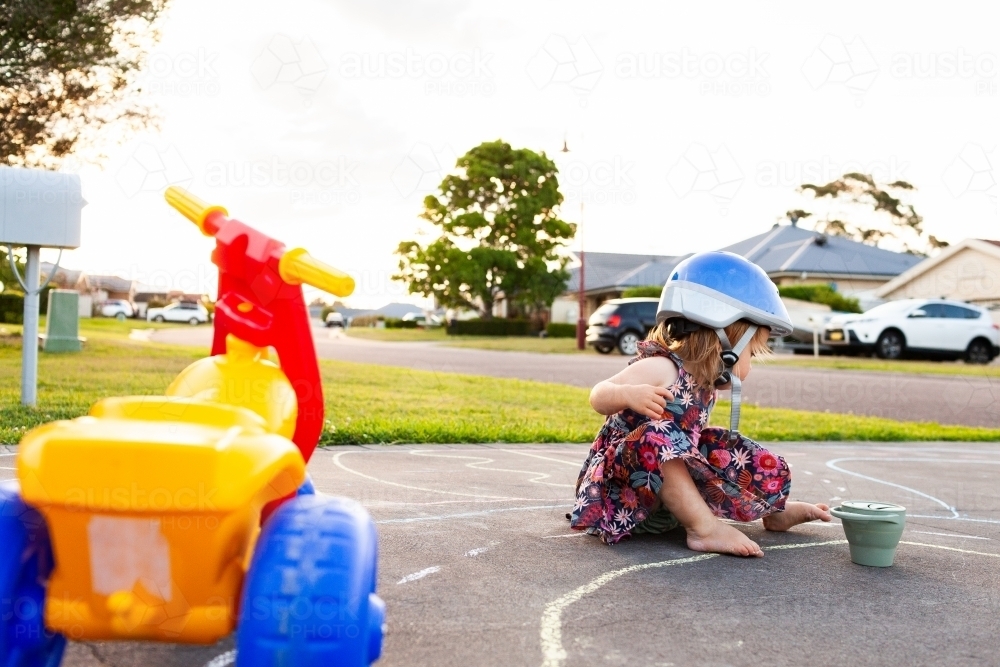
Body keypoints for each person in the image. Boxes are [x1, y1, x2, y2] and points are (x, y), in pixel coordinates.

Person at [570, 251, 832, 557]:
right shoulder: (662, 368)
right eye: (753, 353)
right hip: (623, 495)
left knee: (724, 445)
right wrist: (628, 395)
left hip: (667, 500)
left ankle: (774, 511)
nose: (752, 364)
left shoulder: (705, 384)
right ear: (726, 341)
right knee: (658, 435)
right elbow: (598, 394)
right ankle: (704, 529)